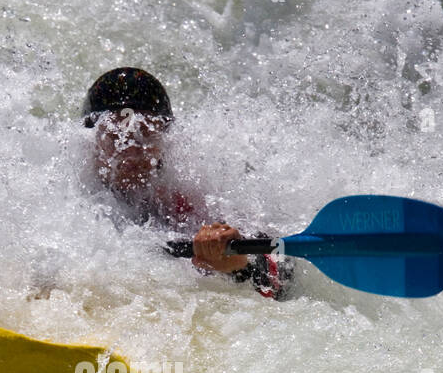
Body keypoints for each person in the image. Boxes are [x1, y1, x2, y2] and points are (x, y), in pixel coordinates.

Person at [81, 67, 292, 300]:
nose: (132, 149)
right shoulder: (64, 196)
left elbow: (280, 278)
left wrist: (238, 266)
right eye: (117, 135)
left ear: (164, 139)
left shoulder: (186, 203)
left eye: (147, 134)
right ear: (90, 140)